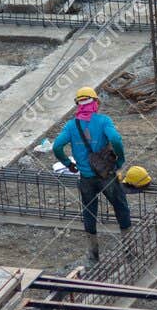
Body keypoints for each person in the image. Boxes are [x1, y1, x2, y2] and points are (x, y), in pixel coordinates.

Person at [53, 87, 131, 261]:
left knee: (89, 212)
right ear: (95, 103)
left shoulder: (71, 126)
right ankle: (129, 250)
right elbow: (116, 140)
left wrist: (68, 164)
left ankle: (93, 253)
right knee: (121, 207)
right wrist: (120, 160)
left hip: (86, 178)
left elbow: (57, 147)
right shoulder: (103, 121)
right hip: (106, 175)